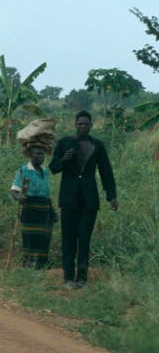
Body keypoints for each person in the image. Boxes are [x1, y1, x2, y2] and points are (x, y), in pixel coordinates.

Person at [49, 111, 118, 289]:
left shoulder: (98, 146)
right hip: (68, 200)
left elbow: (106, 172)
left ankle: (82, 279)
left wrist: (111, 196)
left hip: (89, 201)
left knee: (84, 239)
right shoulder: (64, 143)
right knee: (68, 239)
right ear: (75, 125)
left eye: (86, 124)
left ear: (91, 126)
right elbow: (53, 167)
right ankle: (69, 278)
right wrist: (65, 159)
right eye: (79, 124)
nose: (82, 127)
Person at [11, 146, 57, 268]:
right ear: (31, 155)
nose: (41, 156)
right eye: (38, 154)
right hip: (29, 208)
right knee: (30, 236)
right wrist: (19, 197)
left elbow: (47, 192)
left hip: (44, 208)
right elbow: (14, 191)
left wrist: (52, 210)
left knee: (44, 236)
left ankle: (42, 263)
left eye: (42, 154)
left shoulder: (45, 171)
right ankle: (29, 263)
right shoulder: (23, 170)